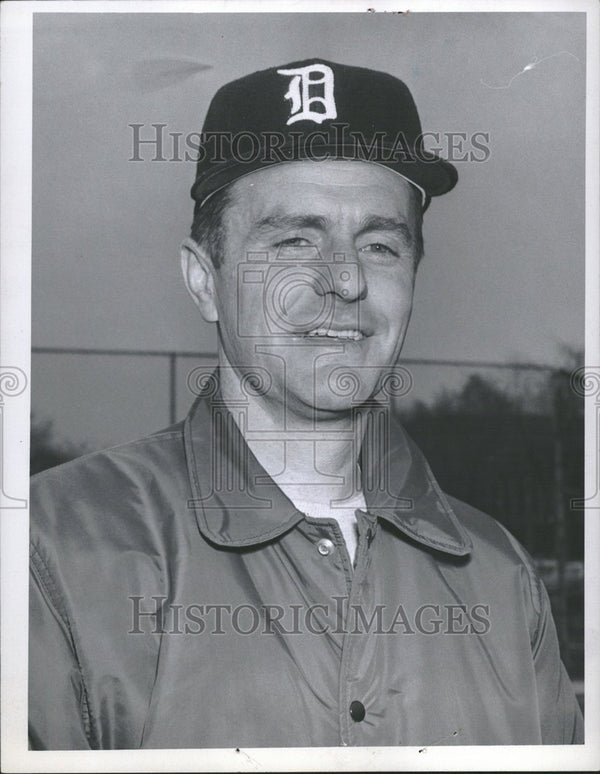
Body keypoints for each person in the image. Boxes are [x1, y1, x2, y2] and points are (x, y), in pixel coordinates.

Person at [29, 58, 583, 749]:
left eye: (380, 245)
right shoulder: (50, 548)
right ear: (204, 279)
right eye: (294, 240)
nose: (345, 279)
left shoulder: (500, 577)